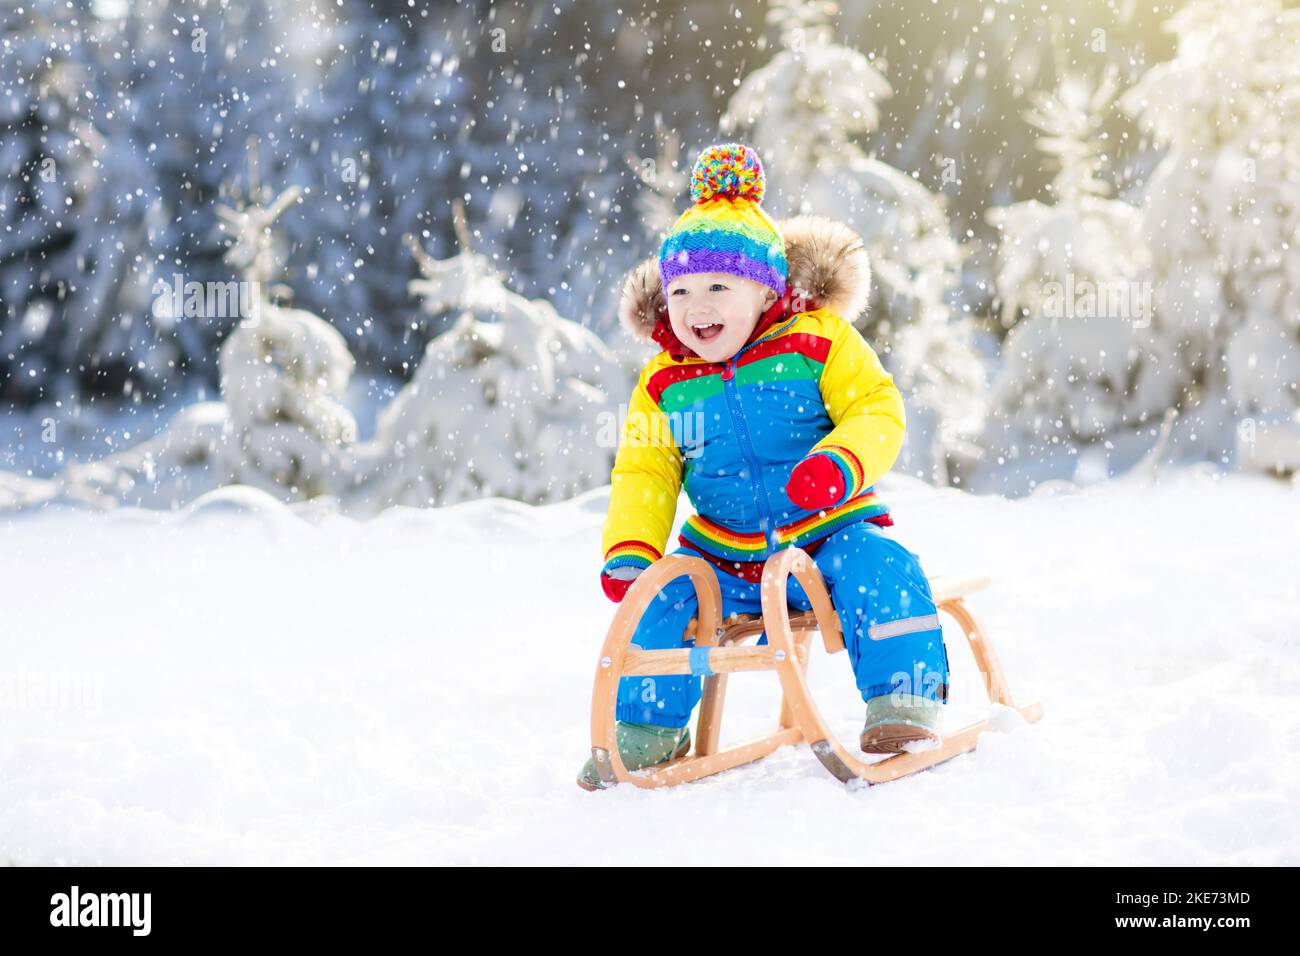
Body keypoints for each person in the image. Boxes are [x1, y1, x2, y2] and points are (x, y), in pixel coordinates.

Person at [579, 143, 949, 790]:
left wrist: (839, 463)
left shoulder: (816, 342)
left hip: (826, 528)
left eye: (719, 286)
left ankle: (903, 696)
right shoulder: (666, 379)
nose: (698, 307)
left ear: (764, 289)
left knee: (880, 567)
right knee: (660, 600)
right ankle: (645, 733)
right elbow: (645, 470)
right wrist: (632, 550)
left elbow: (877, 408)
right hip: (722, 553)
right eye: (683, 290)